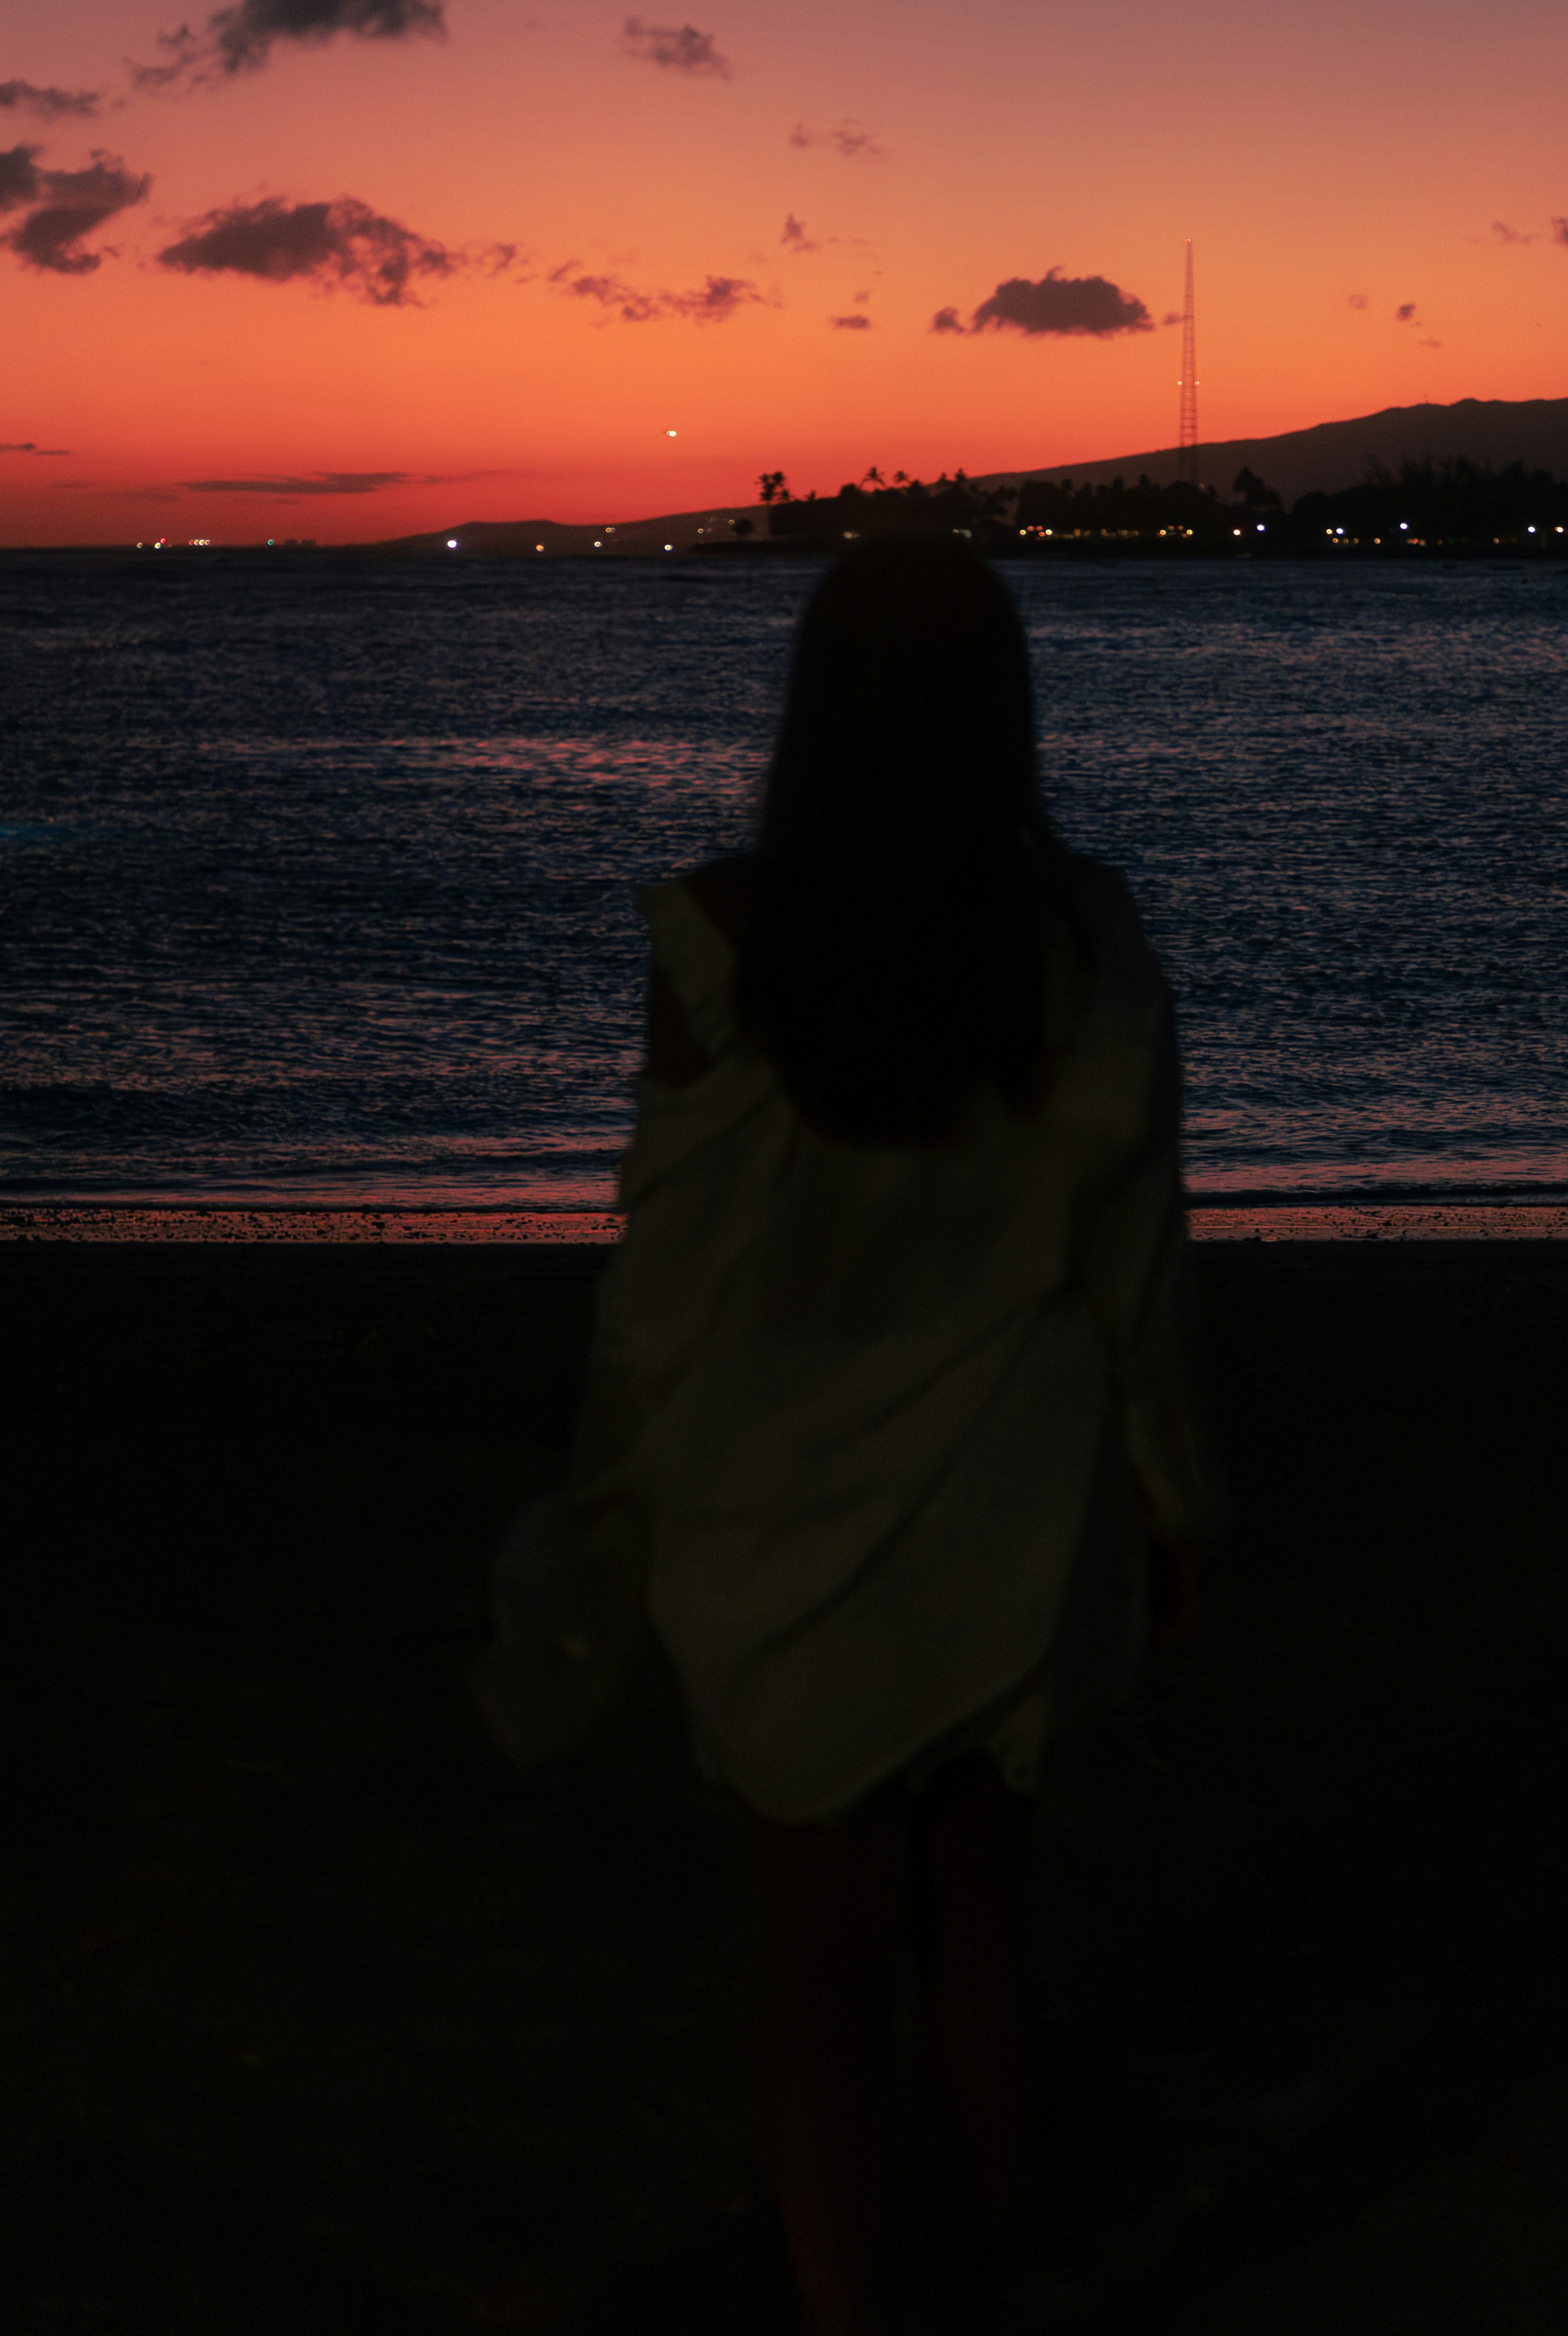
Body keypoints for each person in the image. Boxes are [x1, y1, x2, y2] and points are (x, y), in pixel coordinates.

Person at [474, 535, 1224, 2335]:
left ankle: (849, 2297)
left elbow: (664, 1279)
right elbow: (1139, 1269)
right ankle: (973, 2266)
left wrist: (614, 1496)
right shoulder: (1084, 948)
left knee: (814, 1965)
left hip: (773, 1516)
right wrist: (1174, 1502)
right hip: (1006, 1511)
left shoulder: (723, 940)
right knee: (976, 1925)